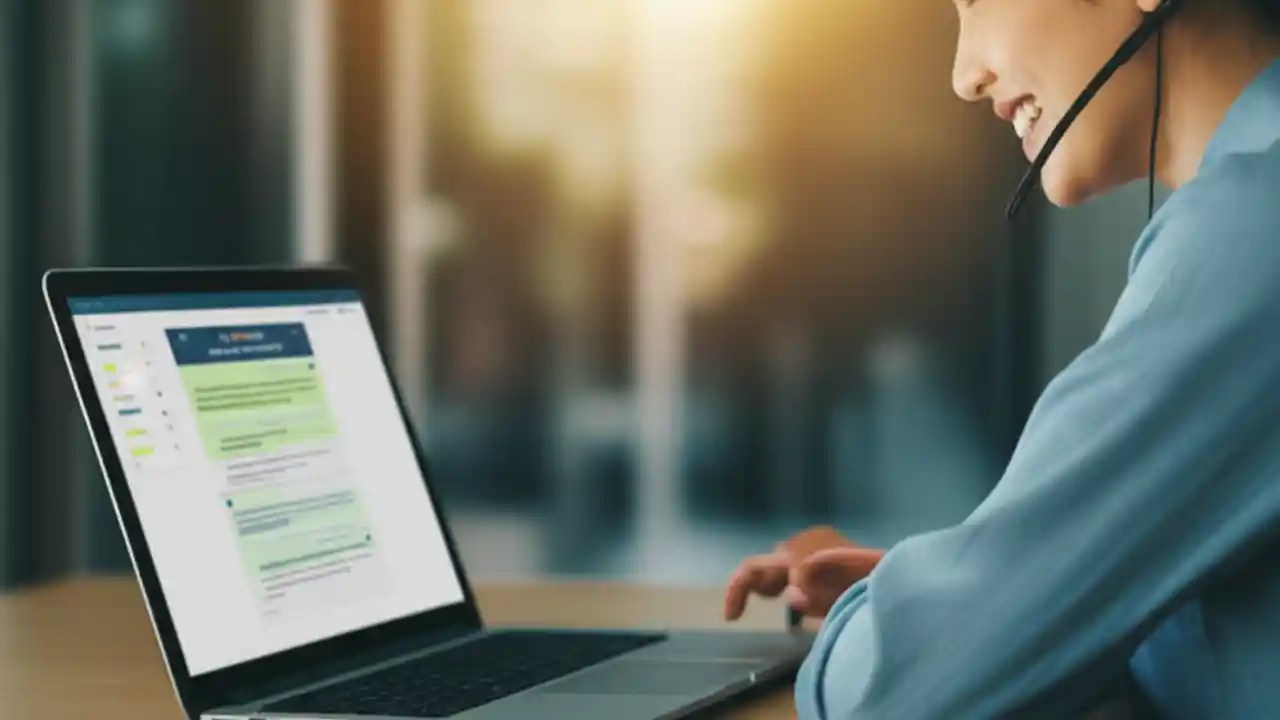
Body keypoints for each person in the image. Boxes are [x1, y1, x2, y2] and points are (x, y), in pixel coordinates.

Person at [722, 1, 1280, 717]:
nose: (964, 76)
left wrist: (928, 625)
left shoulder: (1250, 233)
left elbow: (898, 695)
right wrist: (1003, 593)